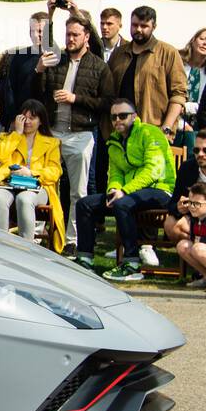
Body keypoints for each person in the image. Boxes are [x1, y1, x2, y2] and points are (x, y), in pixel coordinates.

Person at [33, 14, 113, 254]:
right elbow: (38, 92)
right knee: (44, 184)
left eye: (75, 34)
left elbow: (108, 102)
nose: (70, 39)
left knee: (78, 190)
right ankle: (38, 235)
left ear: (86, 37)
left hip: (82, 133)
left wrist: (75, 98)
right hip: (53, 130)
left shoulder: (99, 66)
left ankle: (73, 240)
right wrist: (38, 71)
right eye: (67, 34)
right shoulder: (56, 60)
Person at [75, 97, 177, 280]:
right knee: (84, 204)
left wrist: (125, 191)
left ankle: (132, 264)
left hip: (160, 189)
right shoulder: (113, 141)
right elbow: (114, 174)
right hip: (128, 193)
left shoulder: (150, 133)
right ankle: (85, 260)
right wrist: (114, 189)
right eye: (113, 117)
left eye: (123, 116)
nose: (117, 121)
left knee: (122, 203)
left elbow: (153, 170)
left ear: (134, 116)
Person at [0, 100, 64, 250]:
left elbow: (55, 172)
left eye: (32, 118)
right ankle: (0, 247)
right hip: (9, 183)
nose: (27, 121)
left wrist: (31, 173)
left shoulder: (52, 143)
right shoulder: (7, 137)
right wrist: (17, 134)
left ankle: (26, 249)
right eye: (24, 117)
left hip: (37, 186)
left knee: (24, 198)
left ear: (41, 121)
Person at [107, 5, 186, 147]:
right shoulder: (118, 53)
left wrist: (166, 128)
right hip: (120, 133)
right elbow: (108, 92)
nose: (138, 29)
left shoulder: (168, 53)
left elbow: (178, 95)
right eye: (135, 25)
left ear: (154, 26)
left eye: (144, 26)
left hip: (153, 131)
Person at [0, 11, 49, 130]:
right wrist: (12, 118)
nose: (36, 35)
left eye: (40, 31)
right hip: (22, 120)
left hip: (47, 122)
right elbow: (9, 91)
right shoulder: (18, 57)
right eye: (32, 31)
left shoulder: (58, 57)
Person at [165, 129, 206, 243]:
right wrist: (178, 208)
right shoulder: (187, 169)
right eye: (196, 150)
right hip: (195, 217)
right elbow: (172, 204)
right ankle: (196, 253)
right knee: (170, 224)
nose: (200, 154)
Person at [176, 27, 206, 150]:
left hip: (200, 127)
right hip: (176, 120)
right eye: (202, 39)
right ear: (193, 41)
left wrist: (186, 106)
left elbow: (205, 107)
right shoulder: (178, 63)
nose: (205, 43)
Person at [172, 183, 206, 289]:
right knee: (182, 246)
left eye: (197, 204)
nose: (192, 207)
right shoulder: (195, 218)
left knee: (198, 248)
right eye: (190, 202)